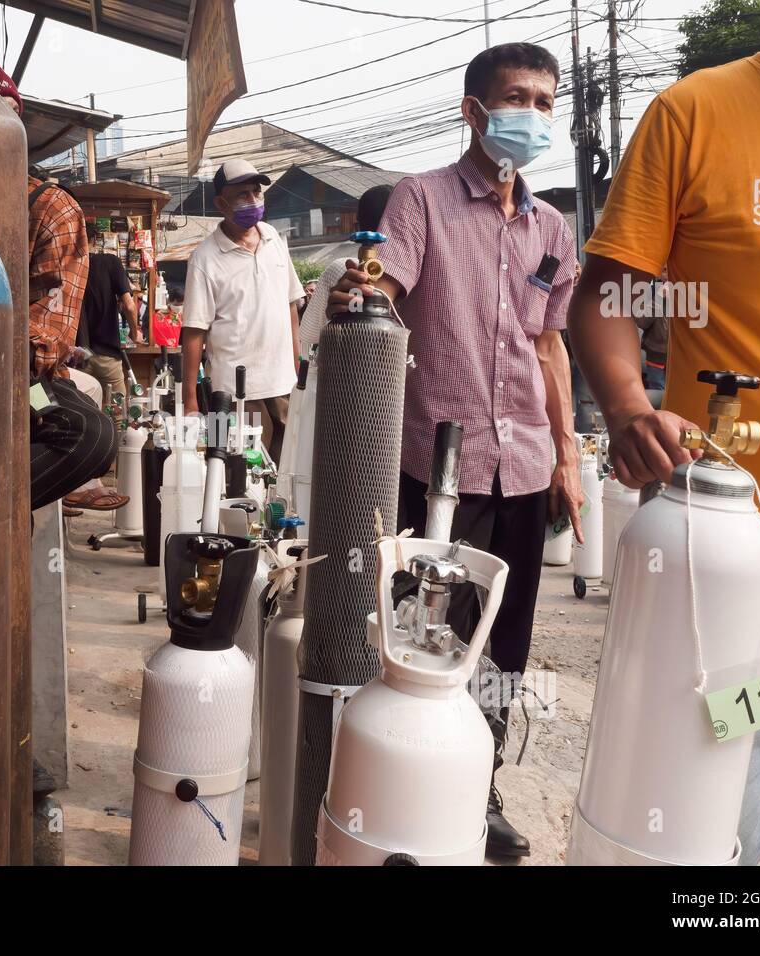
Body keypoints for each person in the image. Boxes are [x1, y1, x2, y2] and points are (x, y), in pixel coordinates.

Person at [567, 0, 760, 866]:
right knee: (719, 835)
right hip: (752, 599)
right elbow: (609, 295)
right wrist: (625, 406)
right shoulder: (701, 112)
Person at [327, 42, 583, 859]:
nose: (534, 115)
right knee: (424, 635)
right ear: (473, 110)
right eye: (518, 98)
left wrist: (570, 459)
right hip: (439, 467)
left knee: (502, 644)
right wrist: (357, 292)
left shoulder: (552, 228)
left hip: (528, 466)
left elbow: (551, 349)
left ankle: (481, 789)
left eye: (547, 101)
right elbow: (383, 288)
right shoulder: (422, 201)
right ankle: (402, 786)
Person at [181, 158, 302, 457]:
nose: (253, 200)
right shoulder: (205, 258)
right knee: (230, 477)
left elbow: (290, 306)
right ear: (222, 204)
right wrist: (190, 402)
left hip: (282, 383)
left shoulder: (274, 238)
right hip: (229, 393)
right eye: (242, 195)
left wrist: (296, 367)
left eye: (256, 193)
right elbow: (194, 332)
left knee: (283, 472)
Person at [27, 173, 118, 512]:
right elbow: (41, 352)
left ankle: (78, 485)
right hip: (25, 380)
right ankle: (77, 484)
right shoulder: (52, 206)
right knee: (89, 432)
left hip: (28, 375)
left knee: (86, 399)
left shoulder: (42, 204)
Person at [299, 184, 394, 357]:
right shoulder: (425, 277)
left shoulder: (341, 270)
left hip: (349, 375)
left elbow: (308, 334)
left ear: (358, 227)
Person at [80, 221, 142, 409]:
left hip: (78, 358)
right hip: (107, 356)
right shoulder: (110, 262)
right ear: (94, 240)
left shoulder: (70, 268)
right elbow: (130, 306)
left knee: (85, 414)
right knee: (118, 414)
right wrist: (134, 331)